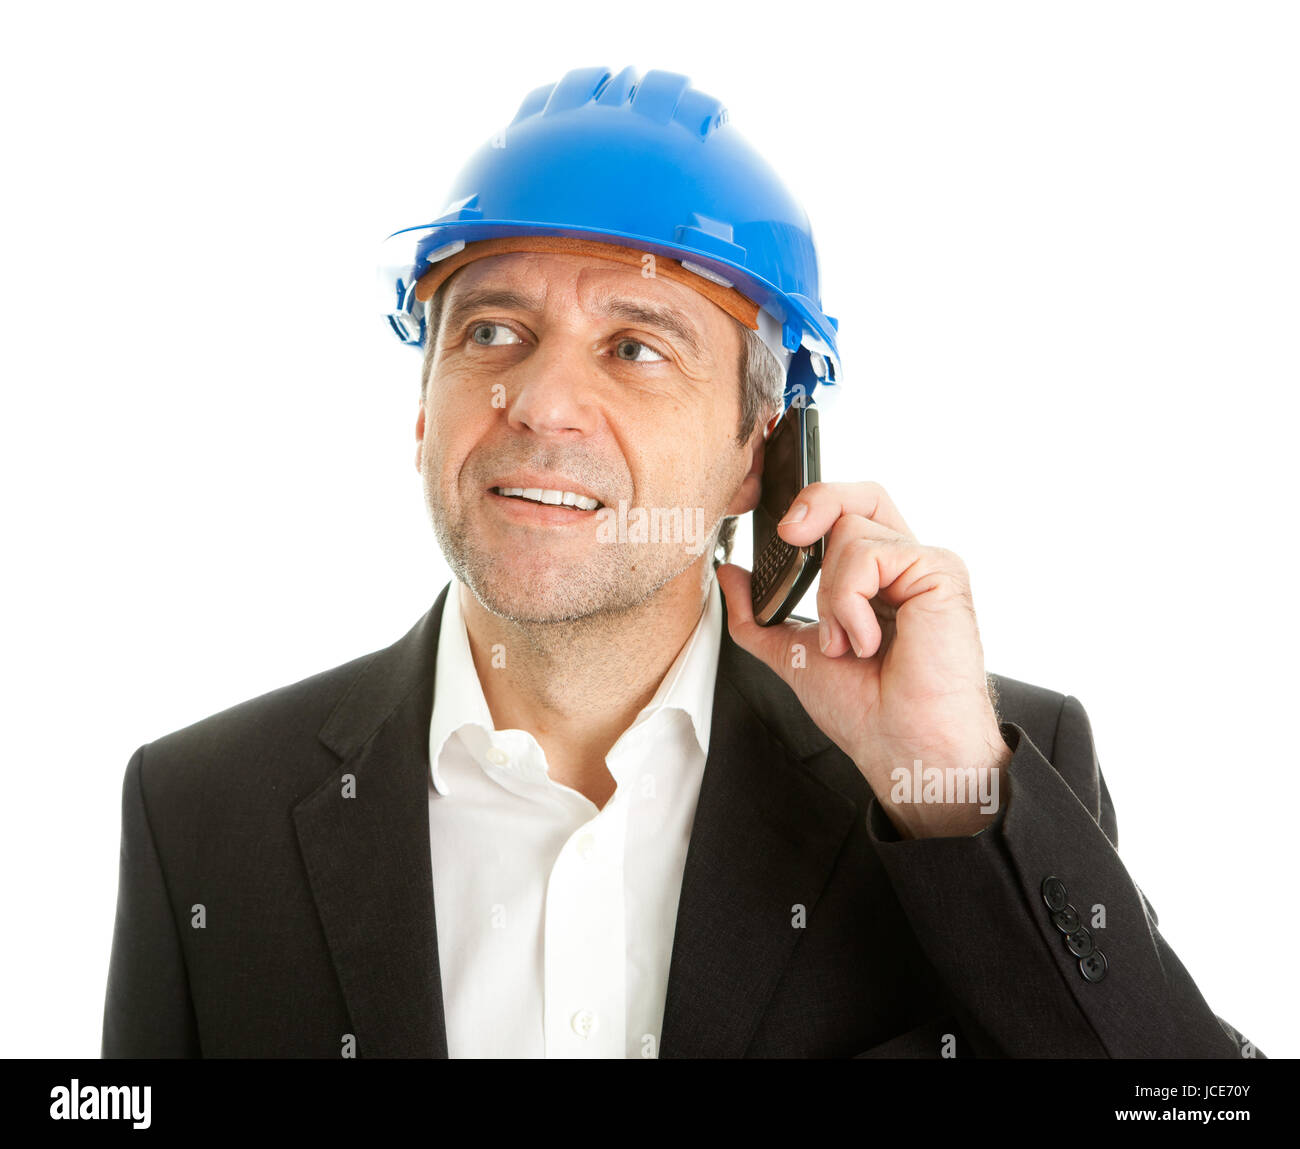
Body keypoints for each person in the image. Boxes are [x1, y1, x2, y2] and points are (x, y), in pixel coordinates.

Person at [102, 65, 1257, 1059]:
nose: (542, 402)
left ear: (762, 452)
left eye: (637, 346)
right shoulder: (205, 813)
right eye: (492, 332)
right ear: (421, 406)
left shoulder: (967, 781)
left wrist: (947, 791)